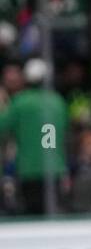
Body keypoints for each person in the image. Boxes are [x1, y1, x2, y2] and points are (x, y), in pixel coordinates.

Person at [0, 58, 70, 215]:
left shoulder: (20, 102)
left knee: (33, 215)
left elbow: (2, 126)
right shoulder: (58, 101)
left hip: (29, 170)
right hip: (55, 169)